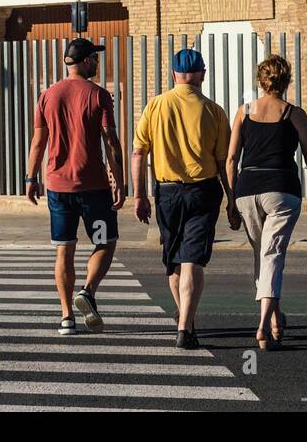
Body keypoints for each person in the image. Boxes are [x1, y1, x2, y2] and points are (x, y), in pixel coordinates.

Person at [224, 54, 307, 351]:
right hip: (282, 190)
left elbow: (231, 159)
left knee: (263, 255)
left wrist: (231, 201)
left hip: (247, 190)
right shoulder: (294, 114)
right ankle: (262, 327)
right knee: (273, 255)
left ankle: (274, 319)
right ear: (286, 81)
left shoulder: (243, 112)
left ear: (261, 80)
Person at [130, 48, 230, 350]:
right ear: (202, 74)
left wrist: (138, 195)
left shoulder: (155, 106)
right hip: (203, 191)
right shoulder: (214, 111)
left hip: (167, 193)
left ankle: (185, 319)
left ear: (173, 74)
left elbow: (138, 153)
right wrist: (233, 201)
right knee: (193, 262)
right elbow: (224, 160)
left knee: (174, 263)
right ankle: (186, 327)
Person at [25, 38, 126, 336]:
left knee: (64, 251)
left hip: (58, 187)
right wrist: (118, 181)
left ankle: (66, 317)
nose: (97, 63)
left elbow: (38, 141)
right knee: (105, 242)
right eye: (94, 58)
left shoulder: (47, 96)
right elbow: (111, 141)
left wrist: (32, 178)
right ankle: (89, 292)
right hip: (93, 186)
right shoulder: (99, 95)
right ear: (83, 62)